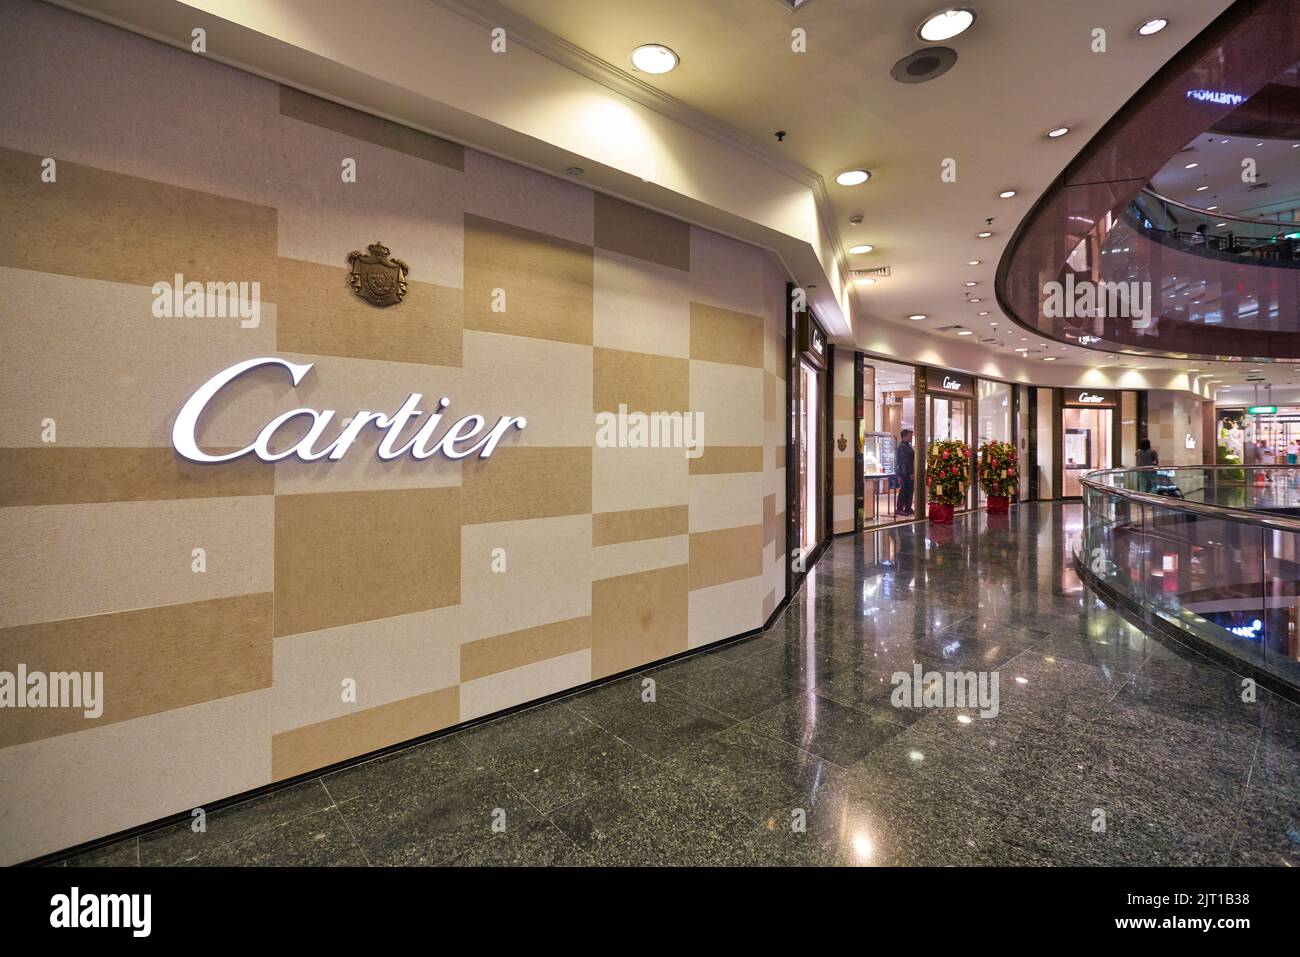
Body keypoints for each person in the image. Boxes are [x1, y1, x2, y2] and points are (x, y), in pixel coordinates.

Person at [896, 428, 915, 516]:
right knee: (903, 491)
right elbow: (902, 462)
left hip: (910, 473)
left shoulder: (908, 446)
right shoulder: (901, 447)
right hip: (905, 474)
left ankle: (908, 507)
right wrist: (906, 474)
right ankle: (899, 509)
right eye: (910, 436)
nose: (911, 438)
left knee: (909, 491)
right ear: (904, 436)